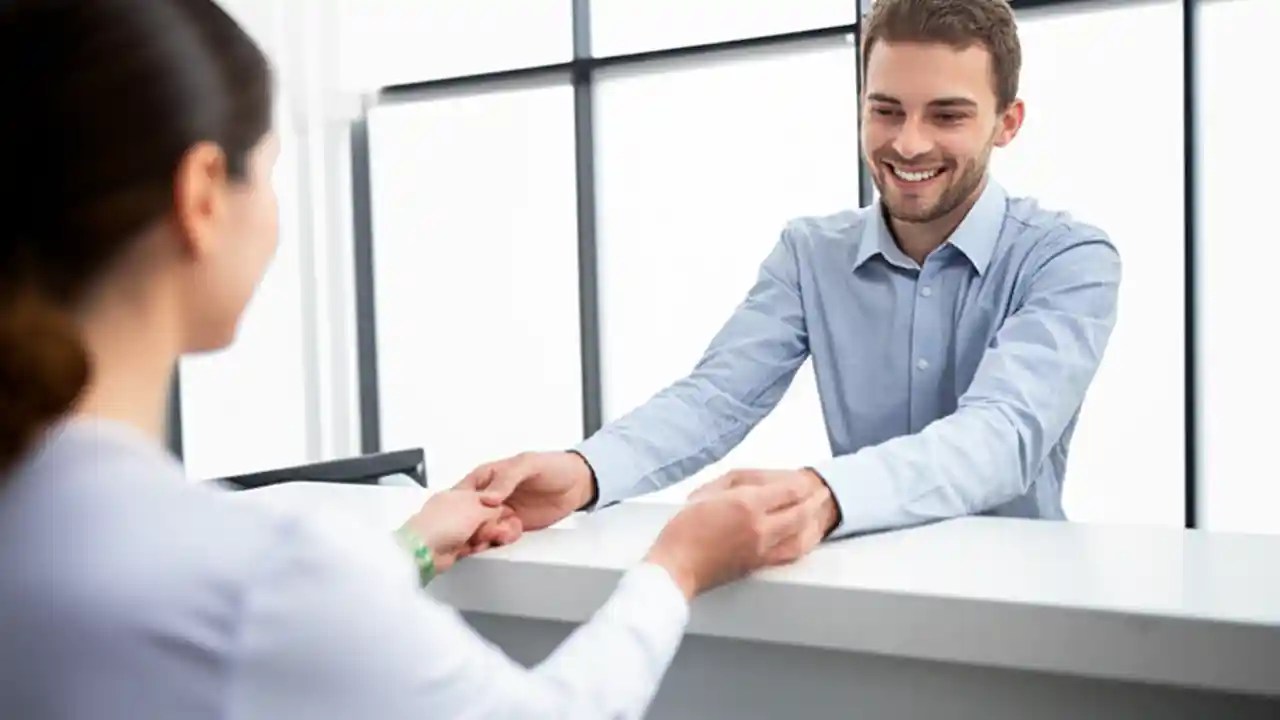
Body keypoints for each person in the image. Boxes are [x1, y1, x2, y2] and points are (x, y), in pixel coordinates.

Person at [0, 1, 823, 718]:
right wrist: (677, 565)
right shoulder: (253, 571)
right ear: (203, 194)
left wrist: (418, 546)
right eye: (270, 172)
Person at [465, 0, 1122, 553]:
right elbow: (716, 397)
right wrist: (585, 472)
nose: (910, 143)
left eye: (947, 116)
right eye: (886, 110)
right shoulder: (810, 254)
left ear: (1007, 123)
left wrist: (824, 493)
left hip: (1025, 601)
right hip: (863, 594)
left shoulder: (1068, 260)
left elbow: (1001, 436)